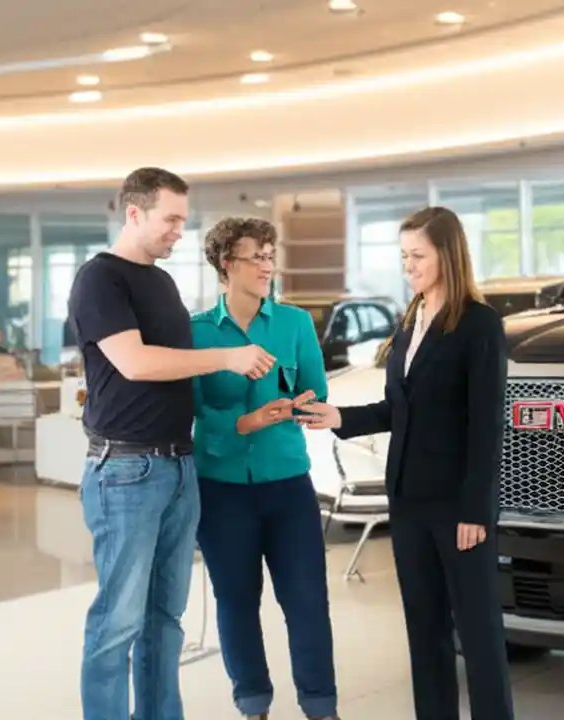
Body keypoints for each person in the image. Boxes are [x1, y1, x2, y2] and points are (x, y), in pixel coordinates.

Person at [67, 167, 275, 720]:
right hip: (126, 472)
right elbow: (135, 362)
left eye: (183, 219)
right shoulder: (99, 279)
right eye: (171, 220)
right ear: (134, 213)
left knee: (166, 620)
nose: (179, 232)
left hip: (178, 467)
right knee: (118, 623)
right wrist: (228, 356)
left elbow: (174, 371)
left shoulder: (160, 282)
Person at [297, 206, 514, 720]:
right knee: (425, 633)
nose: (408, 266)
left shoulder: (479, 326)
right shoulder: (411, 319)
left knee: (480, 638)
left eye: (417, 255)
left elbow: (487, 426)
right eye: (403, 256)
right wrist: (338, 417)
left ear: (448, 254)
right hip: (409, 499)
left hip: (458, 507)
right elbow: (399, 407)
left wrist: (475, 512)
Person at [190, 217, 339, 720]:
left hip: (289, 486)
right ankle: (252, 703)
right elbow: (188, 414)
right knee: (236, 601)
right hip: (222, 490)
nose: (266, 266)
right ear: (225, 264)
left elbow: (317, 390)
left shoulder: (295, 324)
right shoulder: (196, 334)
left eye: (270, 255)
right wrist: (243, 423)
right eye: (255, 256)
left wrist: (299, 405)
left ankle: (321, 706)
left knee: (307, 602)